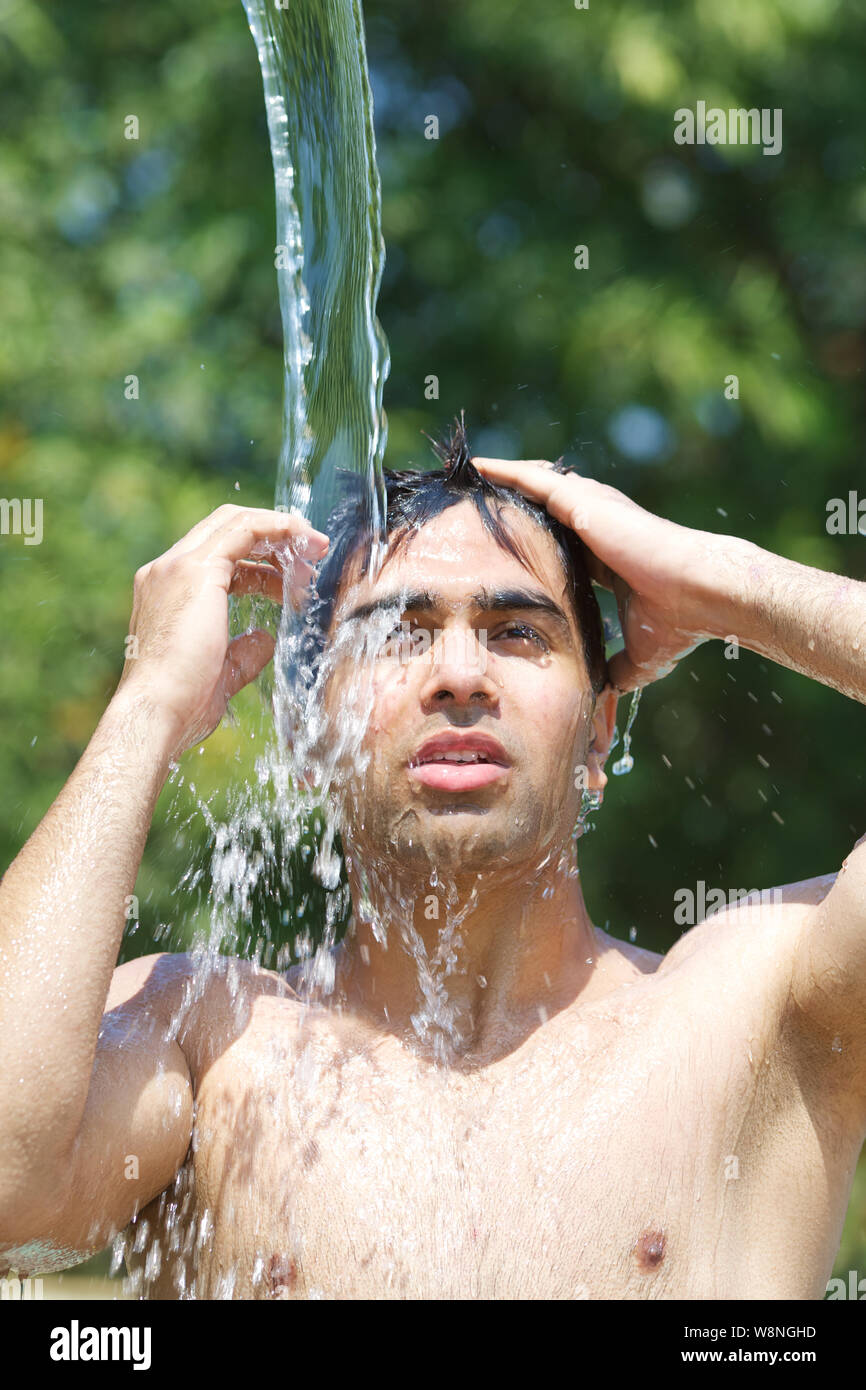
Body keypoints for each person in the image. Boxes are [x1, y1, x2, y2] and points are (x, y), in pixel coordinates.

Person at [1, 417, 864, 1300]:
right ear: (309, 739)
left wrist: (721, 582)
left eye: (517, 633)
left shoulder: (761, 1008)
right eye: (398, 635)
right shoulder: (204, 1038)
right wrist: (146, 708)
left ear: (599, 732)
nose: (459, 673)